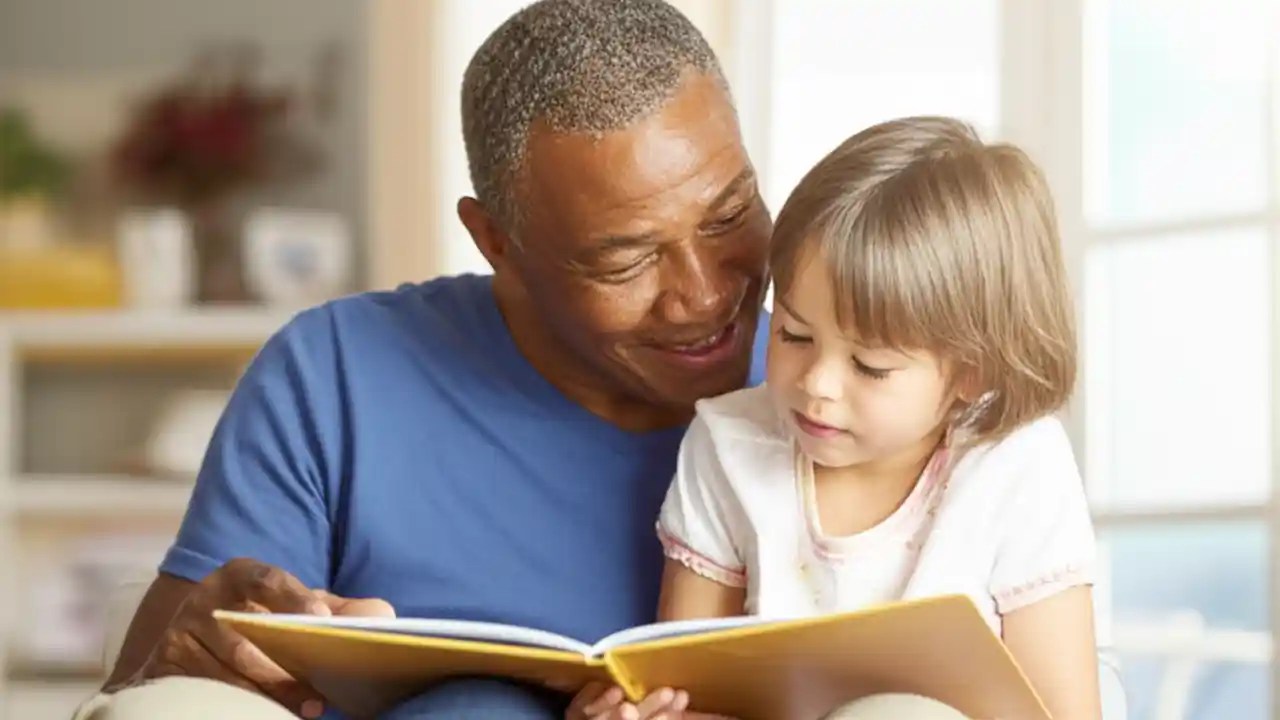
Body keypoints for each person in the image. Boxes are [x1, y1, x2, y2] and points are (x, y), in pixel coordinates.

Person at [77, 3, 1125, 719]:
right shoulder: (333, 378)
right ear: (496, 242)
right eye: (624, 259)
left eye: (730, 216)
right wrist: (195, 646)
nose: (706, 294)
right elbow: (144, 695)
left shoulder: (858, 393)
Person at [581, 117, 1104, 720]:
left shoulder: (1017, 464)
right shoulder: (728, 446)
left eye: (870, 366)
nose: (817, 385)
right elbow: (685, 691)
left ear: (972, 373)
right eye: (794, 334)